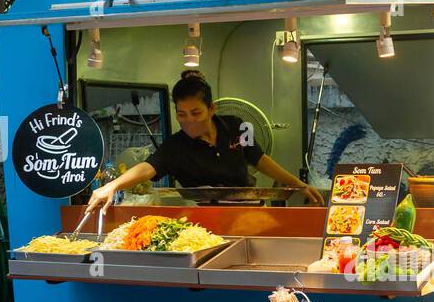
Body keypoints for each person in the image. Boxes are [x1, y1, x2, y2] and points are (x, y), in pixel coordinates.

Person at [86, 69, 325, 211]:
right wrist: (112, 186)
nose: (189, 121)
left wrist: (299, 185)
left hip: (249, 212)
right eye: (182, 114)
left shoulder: (236, 125)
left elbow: (260, 159)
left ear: (211, 109)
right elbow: (148, 167)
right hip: (203, 220)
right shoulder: (175, 146)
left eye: (196, 113)